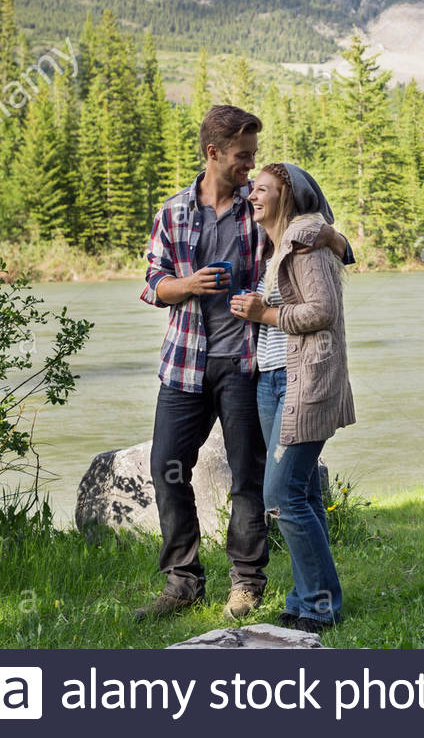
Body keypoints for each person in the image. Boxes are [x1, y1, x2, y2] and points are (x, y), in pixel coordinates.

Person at [136, 106, 351, 621]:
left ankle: (246, 582)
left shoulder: (259, 206)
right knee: (166, 469)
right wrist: (187, 286)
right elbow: (151, 284)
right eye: (241, 156)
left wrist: (332, 238)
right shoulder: (173, 213)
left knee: (248, 477)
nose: (249, 166)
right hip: (185, 364)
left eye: (253, 155)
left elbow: (325, 241)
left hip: (246, 365)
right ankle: (183, 582)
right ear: (213, 153)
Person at [232, 162, 355, 632]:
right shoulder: (281, 246)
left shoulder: (304, 239)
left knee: (281, 494)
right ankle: (306, 599)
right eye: (252, 190)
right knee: (299, 491)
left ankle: (321, 606)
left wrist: (264, 314)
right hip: (274, 378)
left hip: (303, 380)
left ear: (288, 195)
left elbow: (322, 311)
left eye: (262, 190)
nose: (253, 196)